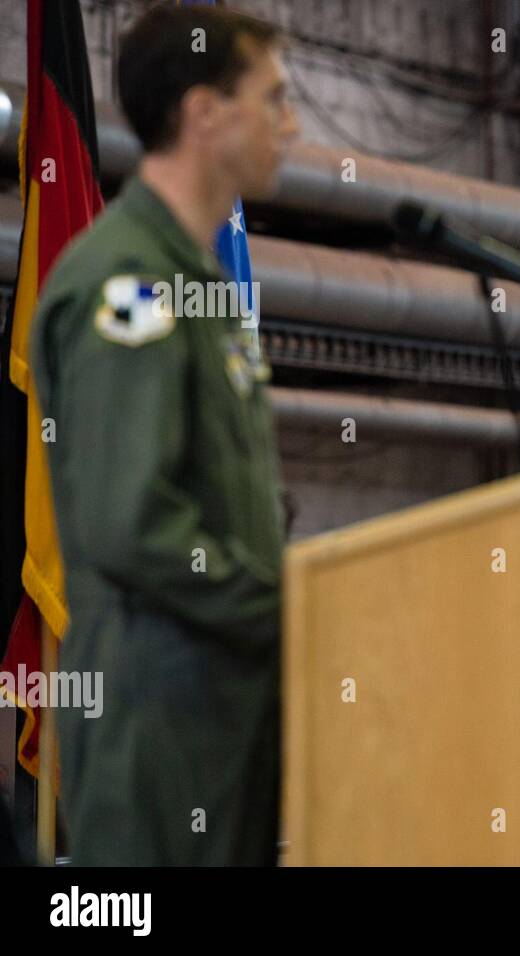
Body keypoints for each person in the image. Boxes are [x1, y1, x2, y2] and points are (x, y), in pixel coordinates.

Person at [29, 4, 298, 864]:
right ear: (202, 112)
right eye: (273, 99)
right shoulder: (128, 283)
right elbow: (131, 518)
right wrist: (289, 611)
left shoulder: (197, 285)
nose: (290, 126)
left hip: (224, 720)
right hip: (162, 730)